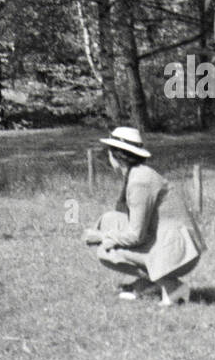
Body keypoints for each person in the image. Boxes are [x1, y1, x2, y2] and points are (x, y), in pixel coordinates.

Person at [84, 126, 205, 306]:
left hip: (179, 251)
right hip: (170, 241)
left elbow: (136, 236)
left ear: (117, 155)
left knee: (106, 250)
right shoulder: (138, 173)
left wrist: (103, 237)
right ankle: (147, 283)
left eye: (109, 151)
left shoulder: (140, 181)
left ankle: (173, 287)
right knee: (109, 219)